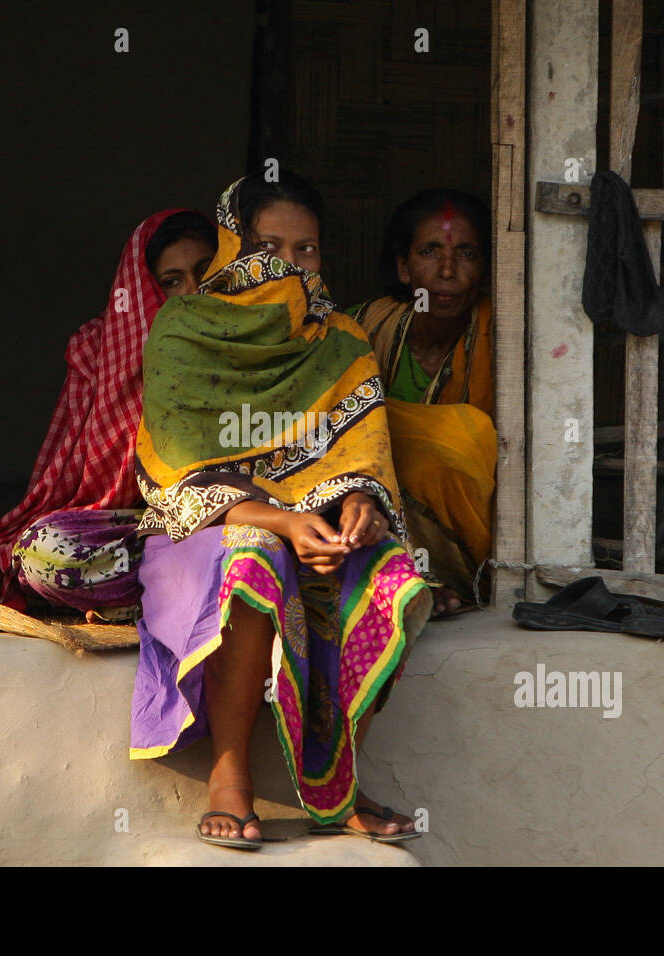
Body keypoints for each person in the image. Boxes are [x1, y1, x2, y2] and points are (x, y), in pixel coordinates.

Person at [130, 173, 434, 849]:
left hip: (310, 518)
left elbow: (361, 454)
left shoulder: (341, 337)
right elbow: (179, 476)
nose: (291, 265)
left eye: (308, 249)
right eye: (270, 245)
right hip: (204, 528)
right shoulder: (181, 330)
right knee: (255, 559)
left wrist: (357, 508)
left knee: (385, 572)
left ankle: (336, 784)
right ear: (232, 249)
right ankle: (230, 775)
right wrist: (285, 523)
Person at [0, 210, 217, 619]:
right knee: (44, 551)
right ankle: (170, 591)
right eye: (172, 281)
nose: (193, 291)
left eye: (206, 271)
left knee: (255, 542)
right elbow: (63, 477)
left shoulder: (252, 338)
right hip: (145, 532)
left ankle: (165, 595)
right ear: (146, 288)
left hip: (230, 522)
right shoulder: (97, 349)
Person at [350, 189, 498, 617]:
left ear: (485, 268)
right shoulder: (355, 332)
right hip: (365, 523)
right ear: (402, 267)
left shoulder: (504, 338)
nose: (448, 270)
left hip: (479, 544)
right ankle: (393, 575)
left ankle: (451, 576)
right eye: (430, 251)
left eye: (466, 253)